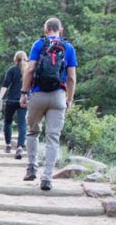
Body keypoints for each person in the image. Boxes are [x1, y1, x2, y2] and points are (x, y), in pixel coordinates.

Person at [20, 17, 77, 191]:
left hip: (38, 94)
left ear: (45, 29)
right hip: (58, 96)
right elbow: (72, 77)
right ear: (61, 29)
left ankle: (32, 167)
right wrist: (69, 98)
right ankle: (47, 178)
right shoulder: (68, 47)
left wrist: (24, 92)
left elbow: (30, 69)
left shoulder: (38, 44)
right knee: (53, 137)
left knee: (32, 132)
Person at [0, 51, 27, 159]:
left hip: (12, 100)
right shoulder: (29, 71)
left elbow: (5, 86)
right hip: (24, 101)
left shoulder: (11, 70)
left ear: (15, 60)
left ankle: (8, 145)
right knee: (22, 124)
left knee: (8, 122)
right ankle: (19, 148)